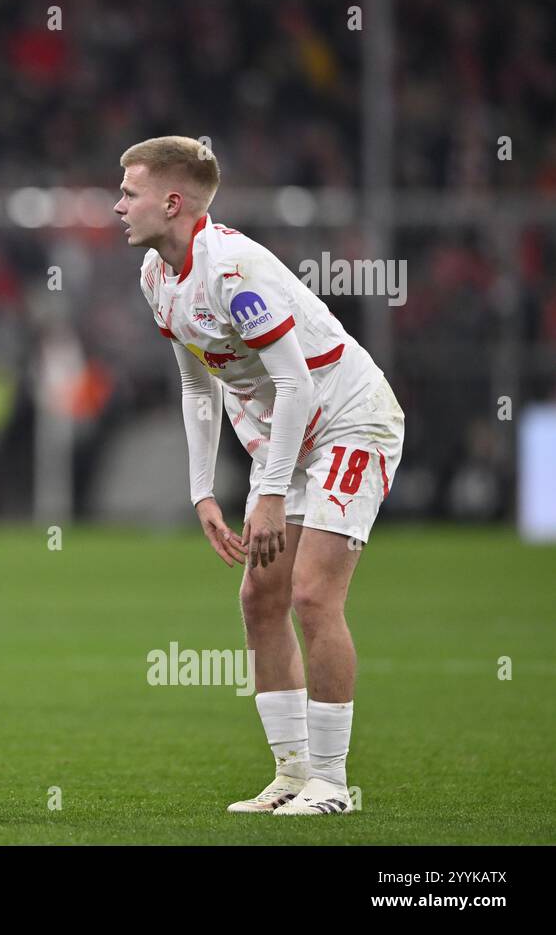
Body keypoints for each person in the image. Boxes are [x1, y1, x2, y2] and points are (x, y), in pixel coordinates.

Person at [115, 136, 405, 815]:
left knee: (311, 595)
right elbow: (197, 387)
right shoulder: (157, 277)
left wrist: (267, 493)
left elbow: (297, 383)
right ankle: (291, 772)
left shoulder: (232, 271)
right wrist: (202, 492)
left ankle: (332, 783)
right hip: (290, 436)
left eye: (130, 192)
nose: (118, 204)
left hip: (346, 421)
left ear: (173, 201)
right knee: (259, 599)